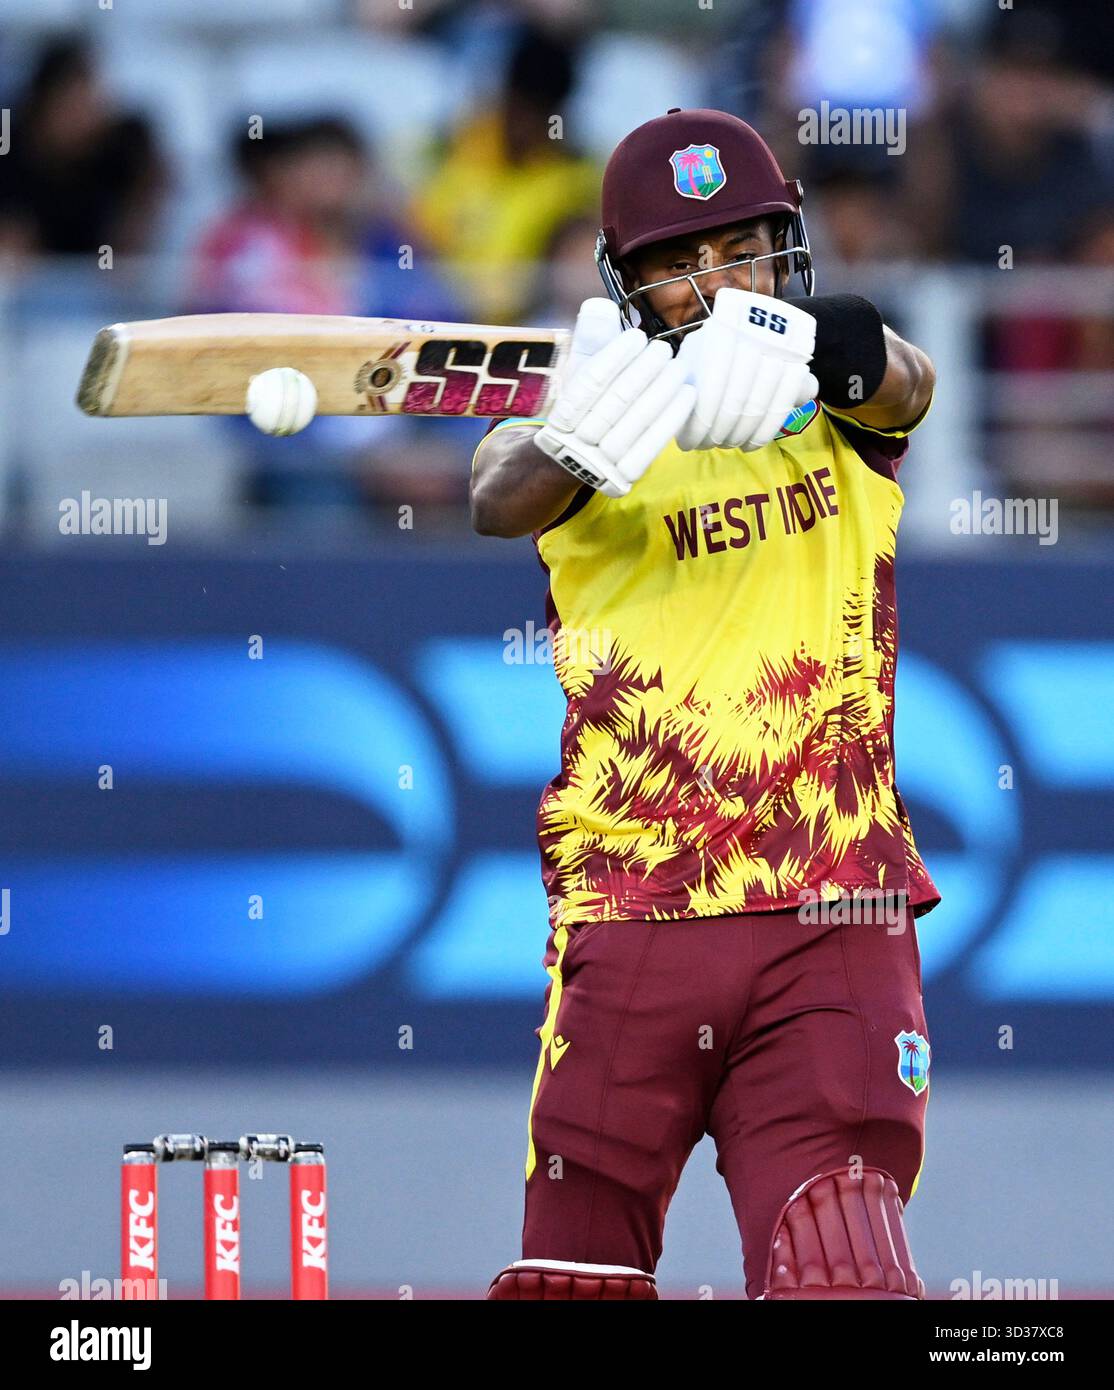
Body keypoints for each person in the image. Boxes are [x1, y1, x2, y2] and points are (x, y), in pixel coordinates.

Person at [471, 109, 938, 1301]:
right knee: (573, 1283)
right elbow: (494, 489)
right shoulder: (598, 421)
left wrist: (814, 341)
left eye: (740, 250)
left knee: (846, 1270)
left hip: (833, 908)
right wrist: (572, 442)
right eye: (677, 263)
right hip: (633, 913)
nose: (713, 282)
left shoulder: (840, 404)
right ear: (627, 285)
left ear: (788, 249)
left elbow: (907, 383)